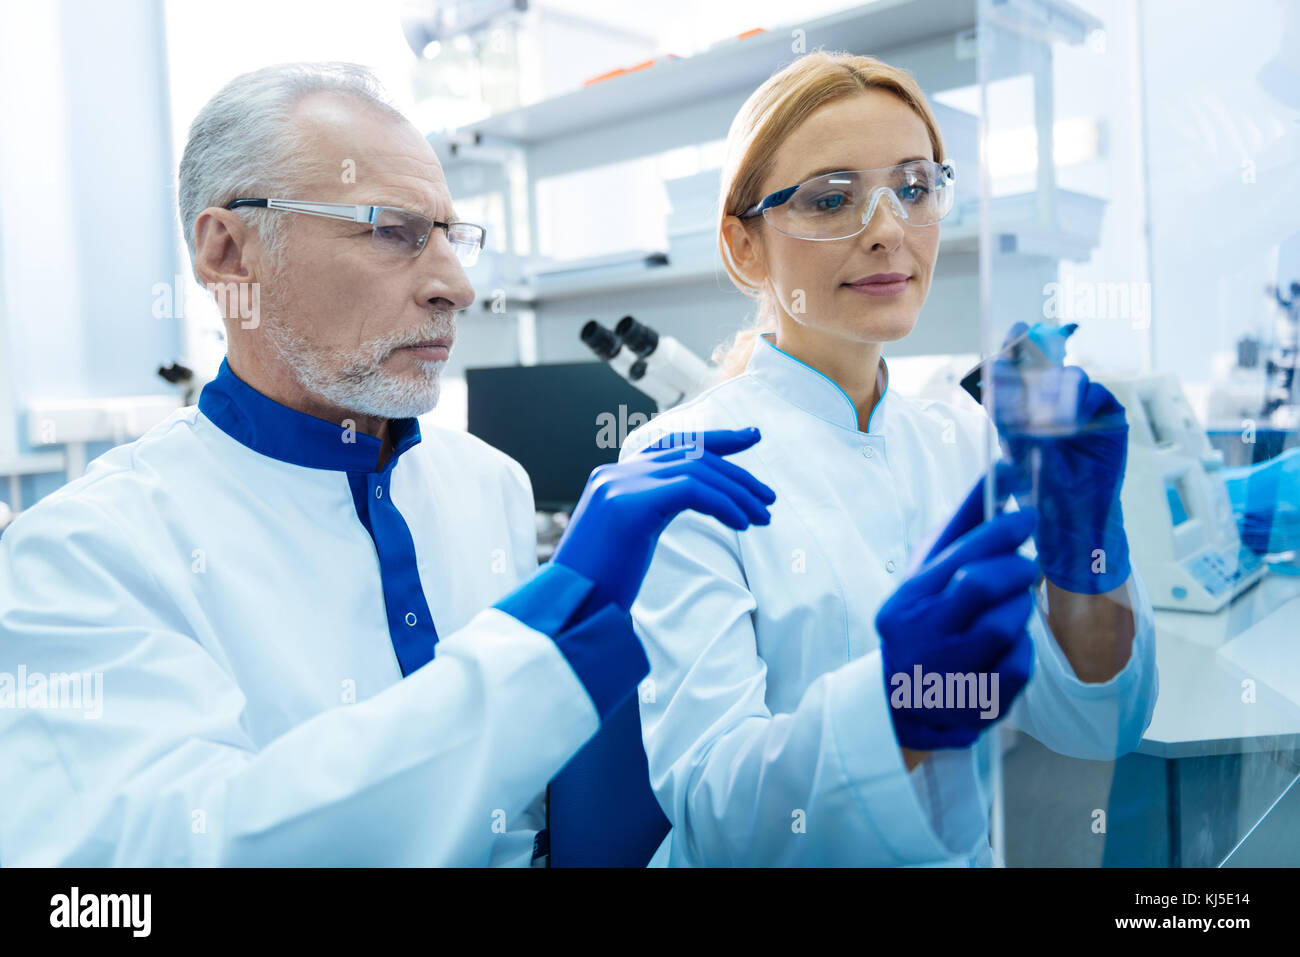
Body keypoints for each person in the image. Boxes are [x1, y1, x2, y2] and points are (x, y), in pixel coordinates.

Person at [0, 62, 775, 866]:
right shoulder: (85, 554)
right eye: (391, 230)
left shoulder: (489, 482)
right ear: (230, 255)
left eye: (452, 236)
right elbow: (165, 856)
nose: (457, 285)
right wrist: (547, 633)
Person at [621, 51, 1159, 866]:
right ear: (745, 247)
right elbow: (716, 810)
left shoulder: (964, 440)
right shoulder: (679, 460)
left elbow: (1095, 721)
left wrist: (1090, 551)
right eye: (832, 199)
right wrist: (888, 709)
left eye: (914, 189)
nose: (886, 229)